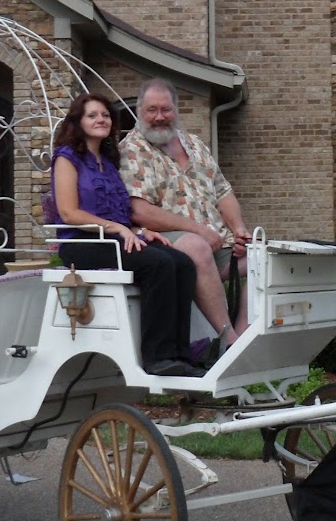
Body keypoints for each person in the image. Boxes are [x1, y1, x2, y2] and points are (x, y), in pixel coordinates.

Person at [50, 92, 204, 377]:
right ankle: (157, 357)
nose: (101, 120)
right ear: (78, 121)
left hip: (114, 238)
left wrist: (141, 231)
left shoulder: (108, 162)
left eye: (106, 115)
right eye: (92, 115)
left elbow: (119, 214)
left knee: (181, 262)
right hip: (81, 243)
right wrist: (119, 229)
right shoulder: (67, 158)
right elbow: (69, 213)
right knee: (157, 264)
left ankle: (180, 353)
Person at [120, 77, 250, 344]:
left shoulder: (195, 144)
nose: (159, 117)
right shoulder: (131, 150)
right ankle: (228, 340)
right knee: (196, 246)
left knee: (265, 257)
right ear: (139, 112)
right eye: (151, 110)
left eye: (165, 109)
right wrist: (200, 230)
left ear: (176, 110)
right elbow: (139, 211)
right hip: (171, 244)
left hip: (218, 244)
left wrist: (239, 230)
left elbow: (223, 192)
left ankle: (247, 338)